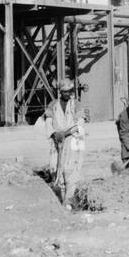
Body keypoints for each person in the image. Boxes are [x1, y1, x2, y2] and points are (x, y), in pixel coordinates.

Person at [43, 79, 85, 207]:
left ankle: (69, 200)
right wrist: (54, 134)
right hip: (57, 139)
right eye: (65, 92)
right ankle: (60, 198)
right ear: (60, 92)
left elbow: (80, 124)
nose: (68, 94)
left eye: (70, 91)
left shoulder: (76, 105)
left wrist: (65, 134)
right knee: (55, 167)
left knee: (70, 170)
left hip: (73, 140)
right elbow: (48, 121)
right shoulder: (53, 105)